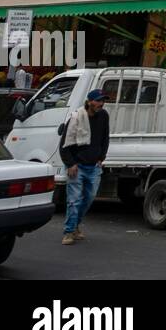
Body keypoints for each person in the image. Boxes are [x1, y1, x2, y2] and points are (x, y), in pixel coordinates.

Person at [59, 88, 110, 246]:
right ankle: (68, 232)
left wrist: (102, 157)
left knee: (88, 198)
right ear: (89, 101)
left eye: (103, 101)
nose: (101, 104)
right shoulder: (76, 117)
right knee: (73, 201)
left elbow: (105, 137)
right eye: (98, 100)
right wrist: (70, 163)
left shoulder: (103, 116)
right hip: (77, 166)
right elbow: (64, 145)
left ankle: (75, 225)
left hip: (94, 165)